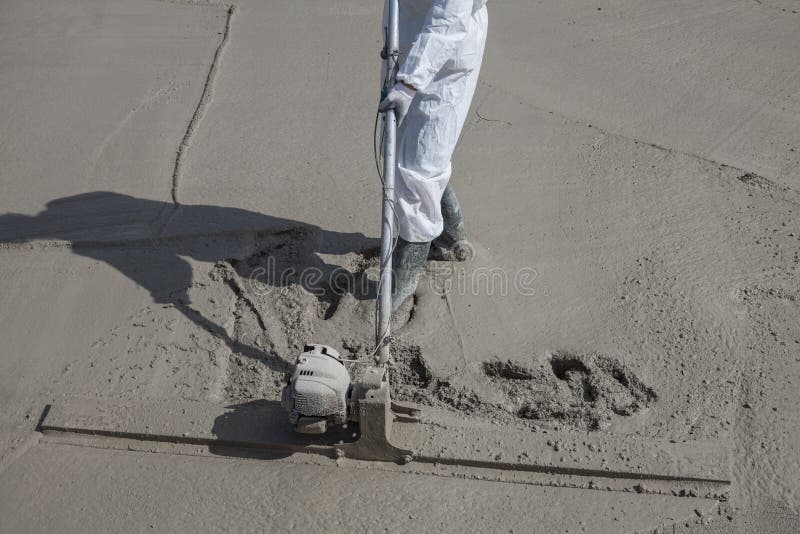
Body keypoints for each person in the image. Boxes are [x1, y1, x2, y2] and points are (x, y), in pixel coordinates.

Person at [378, 0, 489, 312]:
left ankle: (405, 276)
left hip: (448, 54)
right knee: (402, 147)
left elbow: (449, 16)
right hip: (408, 35)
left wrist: (411, 81)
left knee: (420, 165)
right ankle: (450, 237)